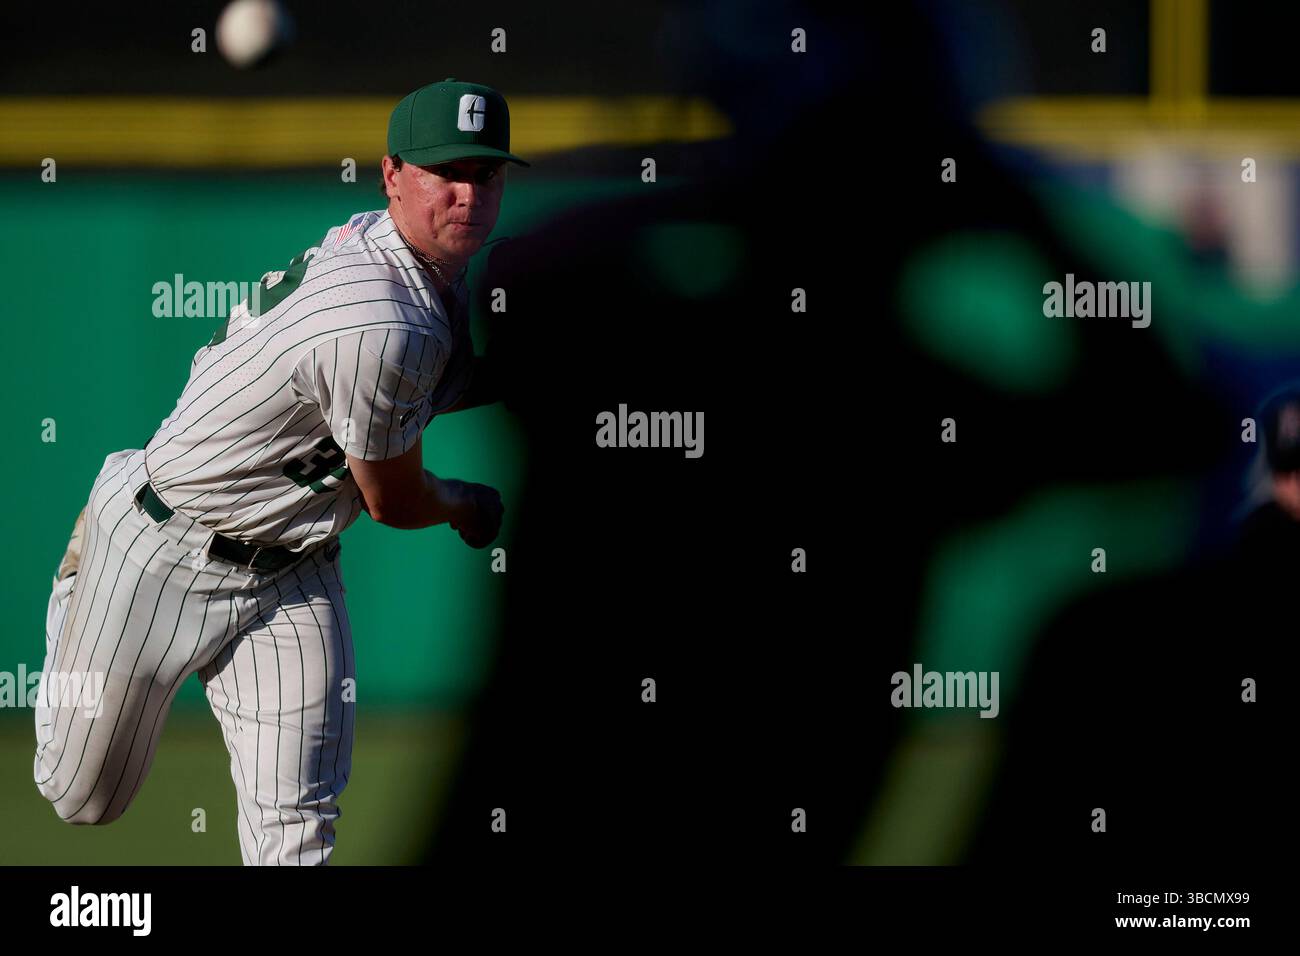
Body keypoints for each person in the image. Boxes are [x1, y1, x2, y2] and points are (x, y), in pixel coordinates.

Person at [33, 78, 522, 865]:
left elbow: (425, 384)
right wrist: (465, 503)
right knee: (79, 798)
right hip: (162, 543)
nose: (468, 194)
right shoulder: (379, 315)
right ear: (393, 175)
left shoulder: (421, 280)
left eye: (487, 174)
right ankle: (77, 592)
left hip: (290, 571)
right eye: (446, 172)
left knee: (297, 830)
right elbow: (392, 500)